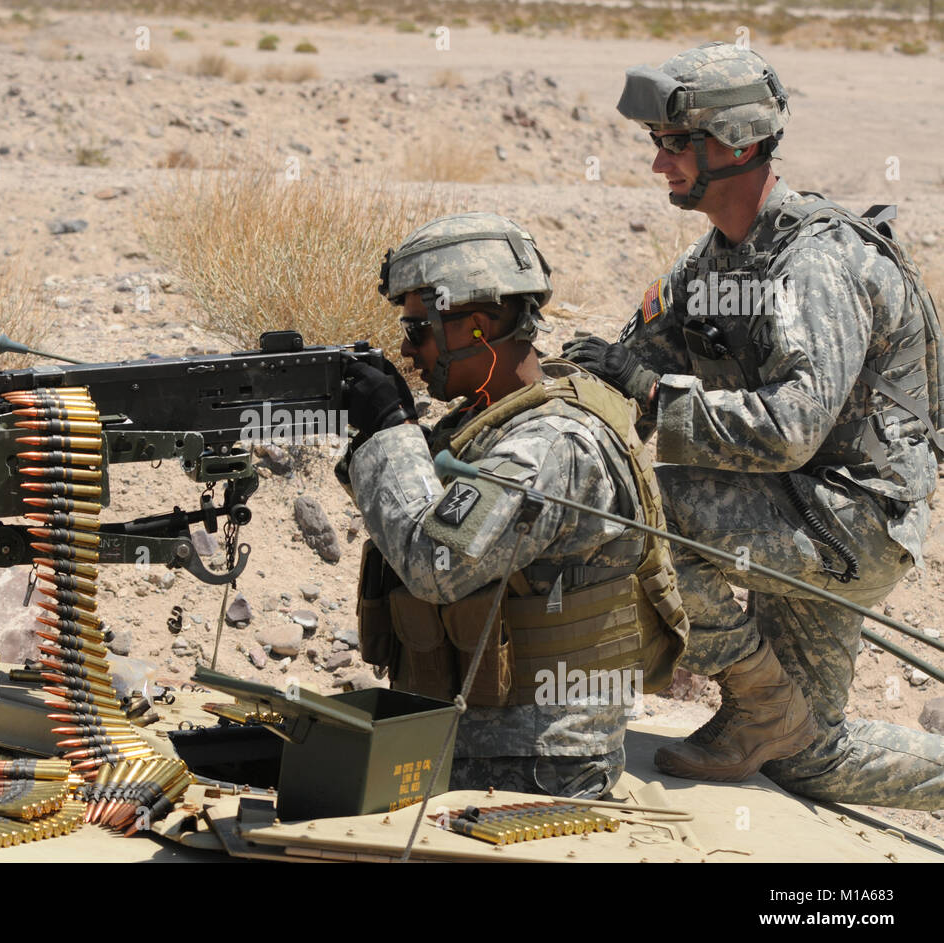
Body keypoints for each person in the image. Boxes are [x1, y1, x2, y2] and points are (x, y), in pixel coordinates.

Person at [564, 42, 944, 806]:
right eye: (658, 142)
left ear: (737, 144)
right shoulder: (710, 266)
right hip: (794, 508)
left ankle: (760, 700)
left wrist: (654, 394)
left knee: (657, 503)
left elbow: (792, 425)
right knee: (807, 756)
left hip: (854, 520)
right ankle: (774, 718)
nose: (659, 163)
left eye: (677, 143)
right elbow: (622, 369)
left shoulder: (816, 264)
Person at [338, 211, 688, 799]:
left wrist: (389, 432)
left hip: (536, 760)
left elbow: (433, 564)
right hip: (487, 737)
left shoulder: (545, 446)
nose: (406, 348)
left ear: (477, 327)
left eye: (419, 329)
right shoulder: (500, 417)